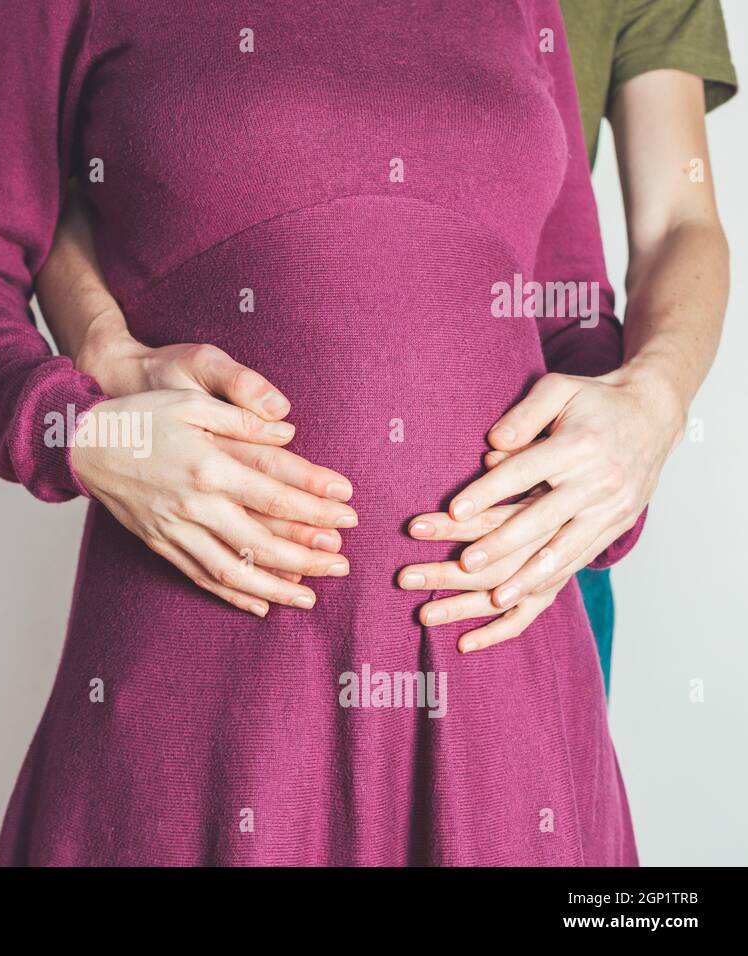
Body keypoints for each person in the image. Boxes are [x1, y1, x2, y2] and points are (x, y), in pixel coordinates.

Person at [0, 0, 666, 864]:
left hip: (507, 700)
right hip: (207, 687)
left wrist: (616, 455)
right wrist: (75, 434)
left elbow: (570, 316)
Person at [36, 0, 736, 697]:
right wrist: (100, 357)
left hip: (527, 532)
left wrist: (652, 406)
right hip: (211, 536)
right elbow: (64, 189)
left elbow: (674, 222)